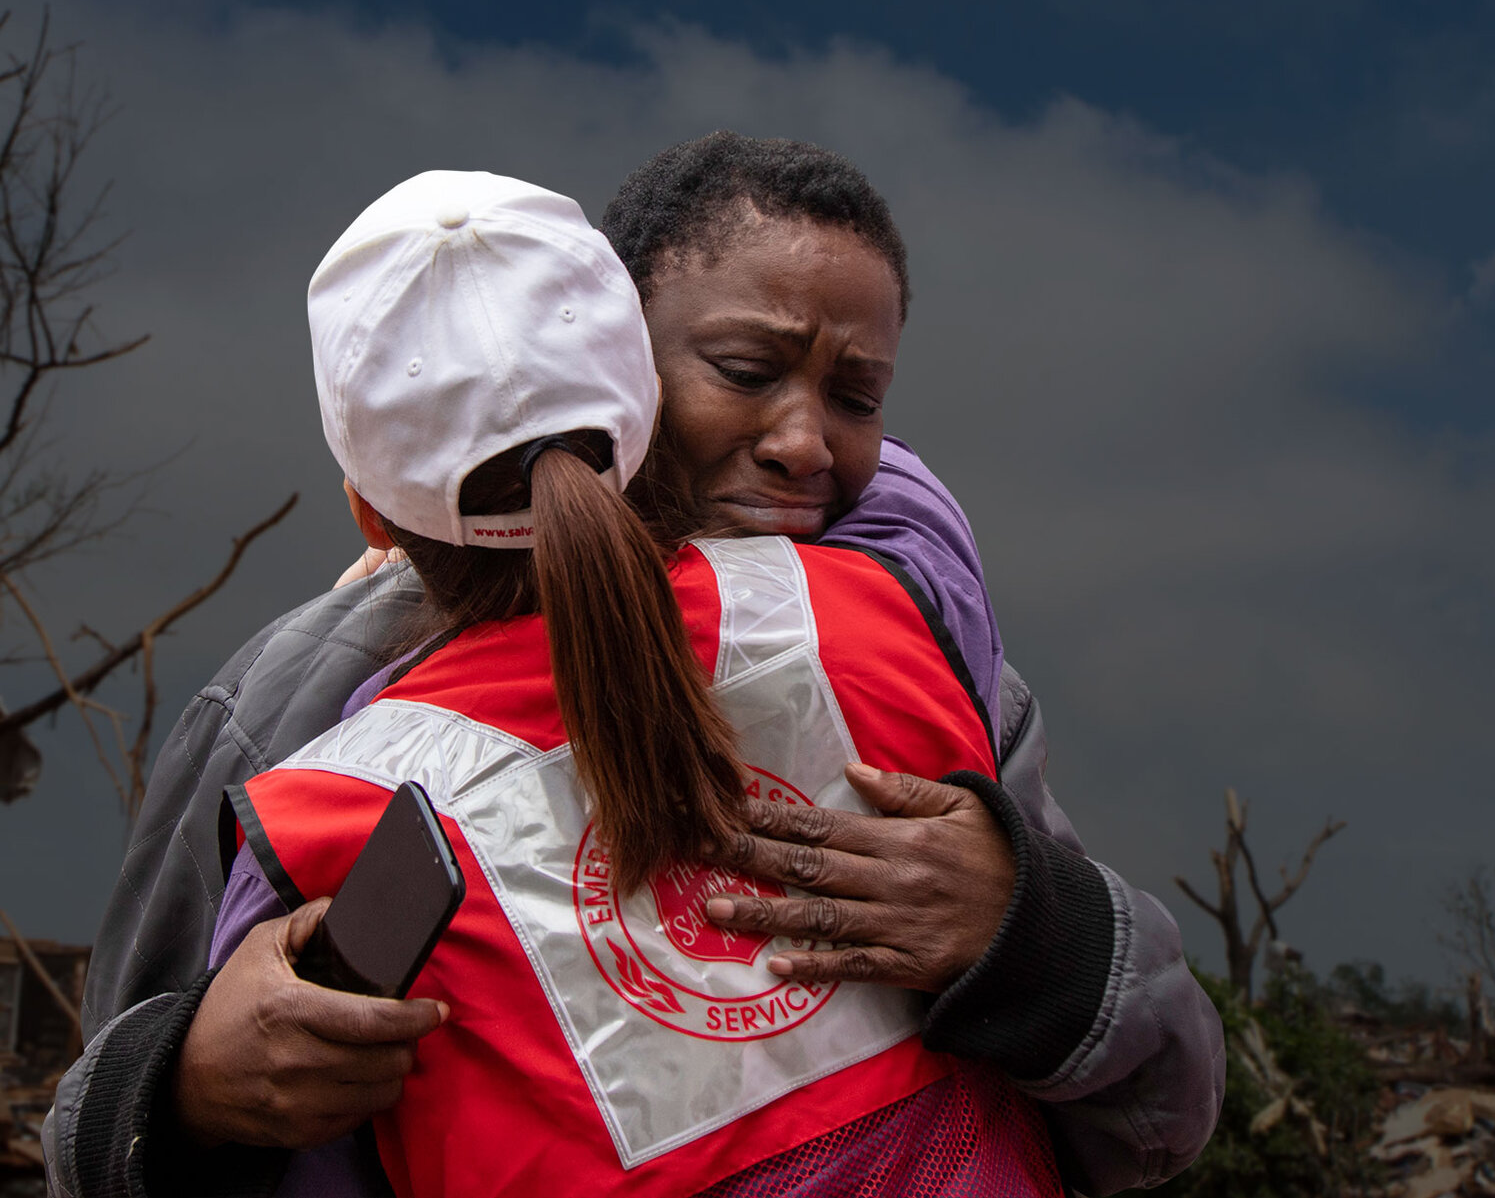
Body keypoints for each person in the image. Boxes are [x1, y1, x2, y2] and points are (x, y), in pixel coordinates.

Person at [46, 139, 1219, 1197]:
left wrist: (1033, 930)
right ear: (617, 361)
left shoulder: (934, 659)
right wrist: (184, 1085)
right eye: (746, 370)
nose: (806, 442)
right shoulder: (290, 713)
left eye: (857, 397)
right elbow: (122, 1089)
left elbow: (1159, 1107)